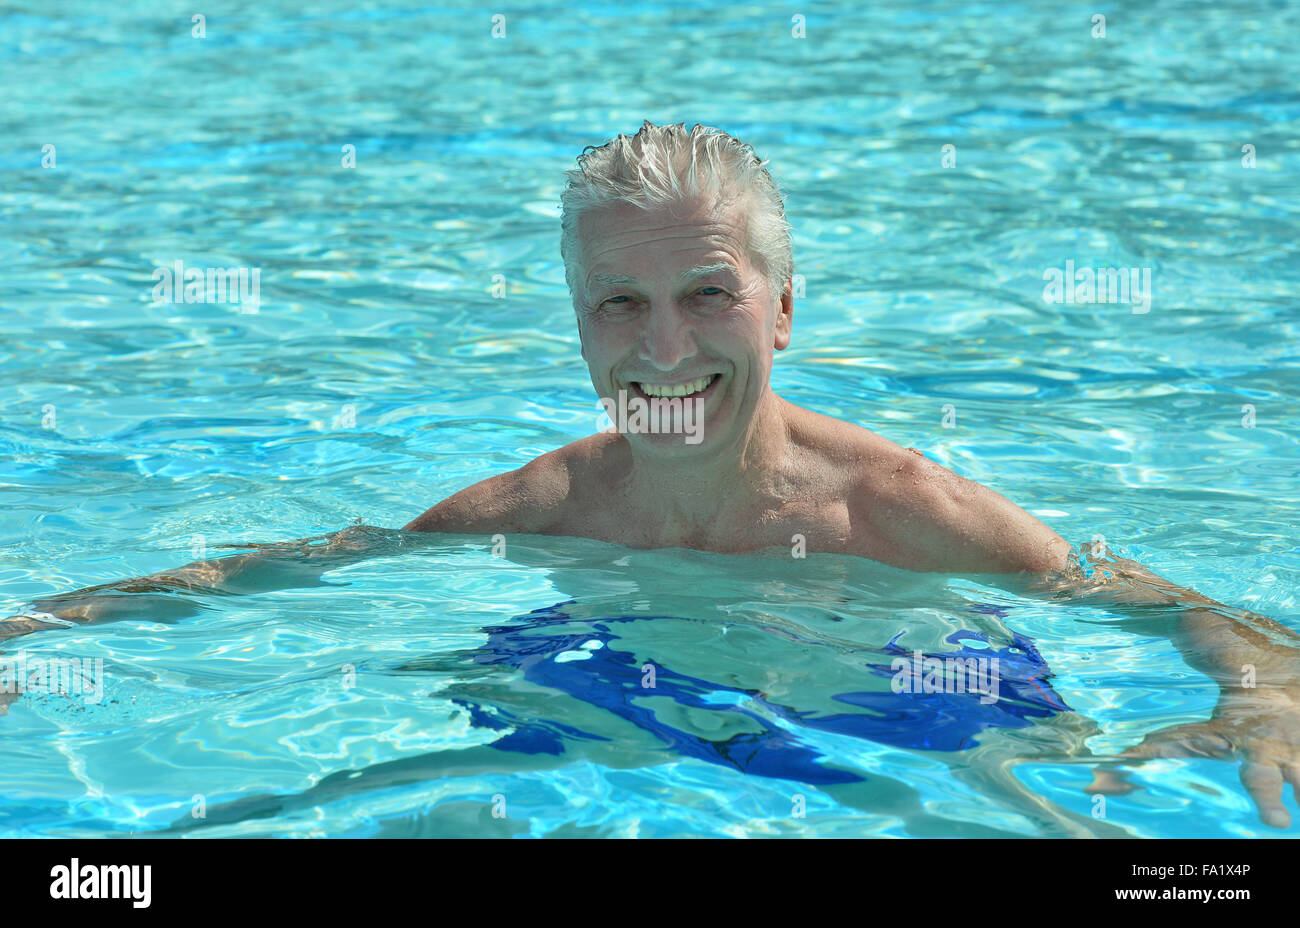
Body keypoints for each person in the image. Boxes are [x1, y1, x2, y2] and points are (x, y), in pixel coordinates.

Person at [6, 121, 1298, 828]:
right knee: (344, 809)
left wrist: (1264, 691)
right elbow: (294, 570)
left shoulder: (898, 514)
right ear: (576, 324)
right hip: (618, 691)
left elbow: (1144, 595)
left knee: (1059, 820)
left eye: (707, 296)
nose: (662, 348)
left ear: (784, 312)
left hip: (895, 696)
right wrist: (52, 623)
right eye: (619, 302)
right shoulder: (543, 512)